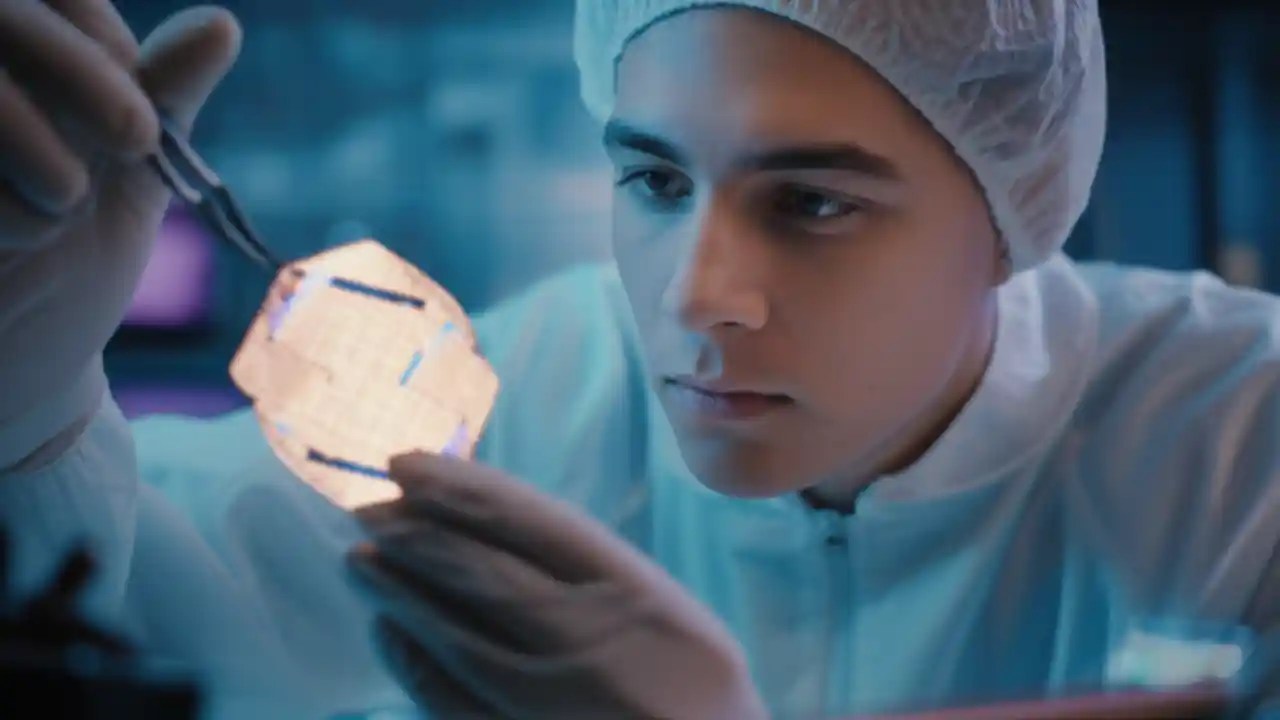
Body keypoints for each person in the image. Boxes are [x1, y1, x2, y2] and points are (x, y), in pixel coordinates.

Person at [0, 0, 1277, 718]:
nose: (692, 296)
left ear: (1012, 219)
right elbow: (142, 594)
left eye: (811, 202)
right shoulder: (535, 391)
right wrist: (33, 406)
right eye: (656, 181)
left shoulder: (1238, 440)